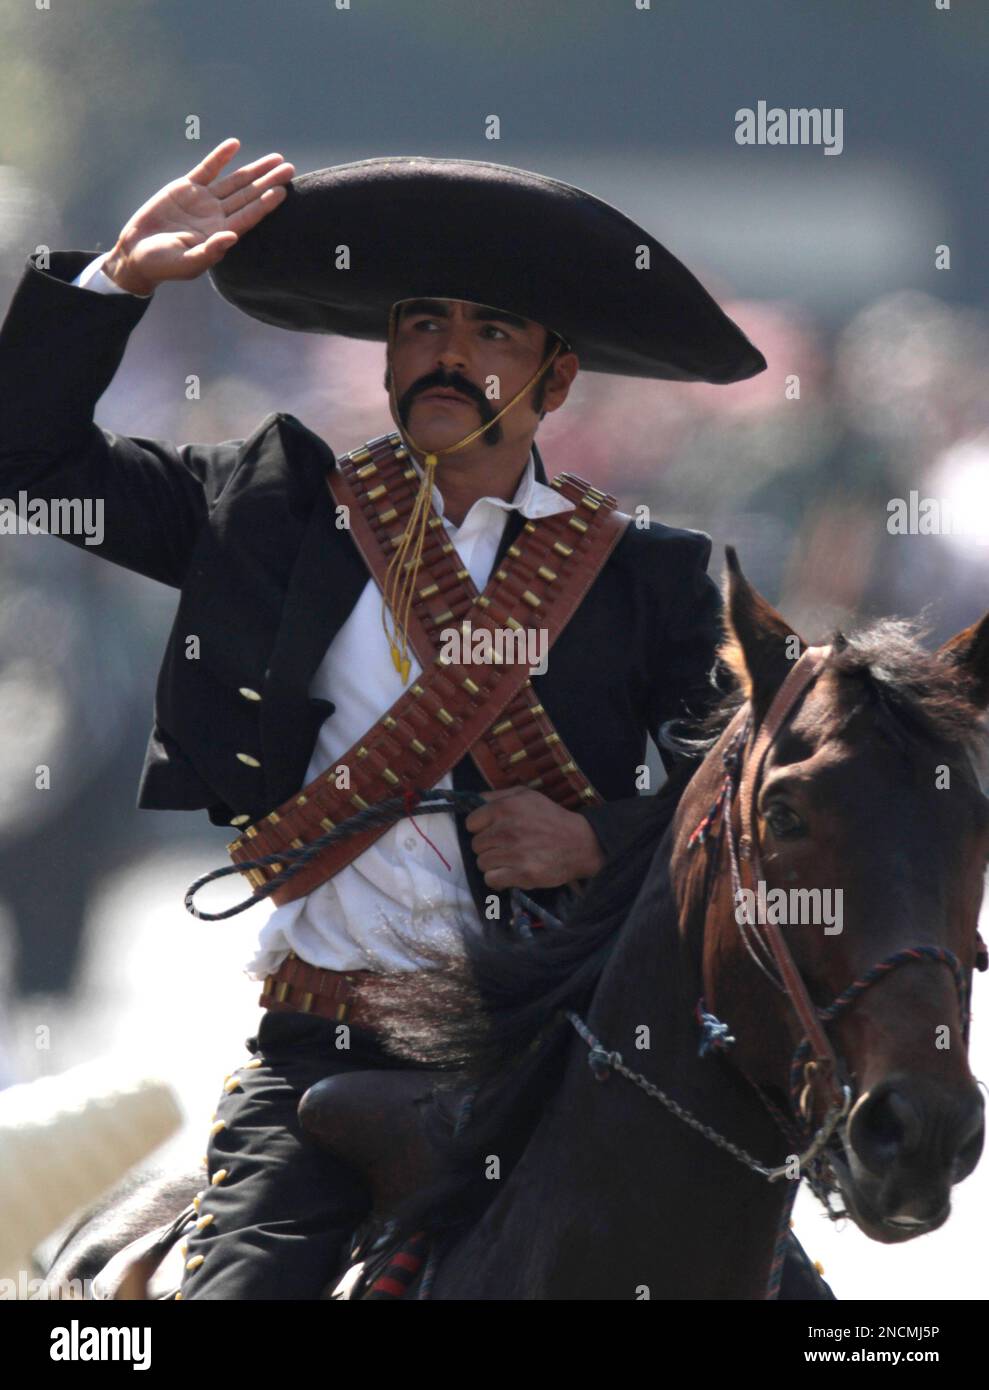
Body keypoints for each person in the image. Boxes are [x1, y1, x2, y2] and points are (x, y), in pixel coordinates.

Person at [0, 139, 829, 1299]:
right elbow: (30, 459)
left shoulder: (648, 577)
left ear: (555, 378)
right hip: (322, 1058)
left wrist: (596, 839)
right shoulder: (269, 515)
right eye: (424, 323)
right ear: (389, 353)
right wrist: (119, 280)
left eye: (492, 332)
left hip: (576, 1060)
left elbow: (744, 804)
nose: (450, 353)